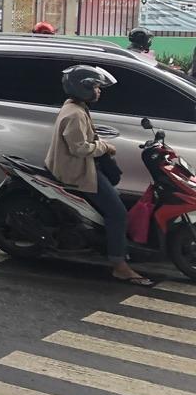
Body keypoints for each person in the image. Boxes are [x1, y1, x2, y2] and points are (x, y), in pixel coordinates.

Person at [46, 65, 155, 287]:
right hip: (77, 171)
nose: (99, 91)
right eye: (95, 86)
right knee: (118, 214)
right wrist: (105, 147)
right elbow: (79, 148)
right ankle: (119, 266)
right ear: (83, 88)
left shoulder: (75, 106)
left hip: (81, 166)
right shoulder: (75, 113)